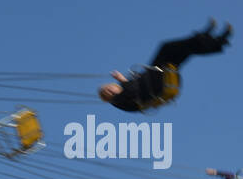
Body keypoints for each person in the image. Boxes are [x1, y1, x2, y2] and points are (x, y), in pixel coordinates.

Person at [99, 19, 232, 112]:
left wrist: (127, 80)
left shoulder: (123, 94)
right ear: (108, 98)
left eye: (109, 88)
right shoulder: (118, 101)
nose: (110, 91)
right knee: (167, 48)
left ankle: (217, 41)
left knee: (179, 50)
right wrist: (123, 80)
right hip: (157, 84)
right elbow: (133, 91)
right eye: (107, 93)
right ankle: (207, 38)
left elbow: (133, 88)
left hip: (158, 78)